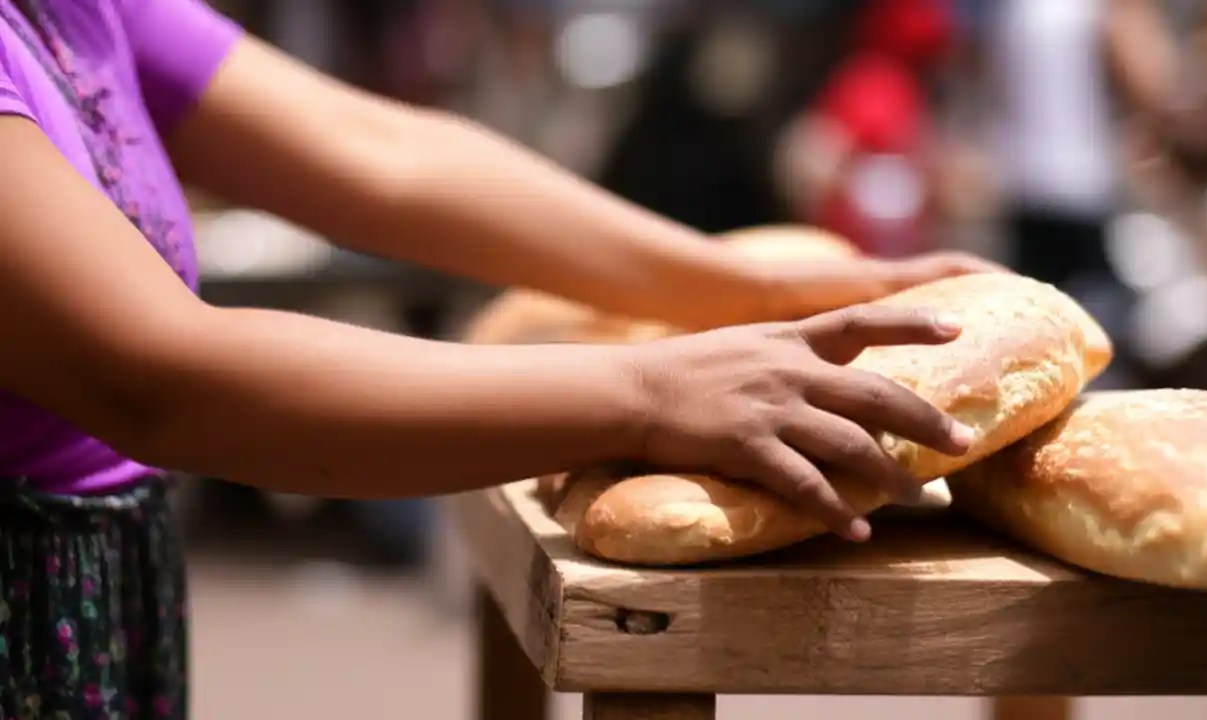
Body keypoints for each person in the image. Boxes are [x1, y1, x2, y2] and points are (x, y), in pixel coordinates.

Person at [0, 1, 999, 716]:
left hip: (102, 597)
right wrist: (648, 391)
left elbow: (378, 151)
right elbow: (162, 378)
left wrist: (749, 288)